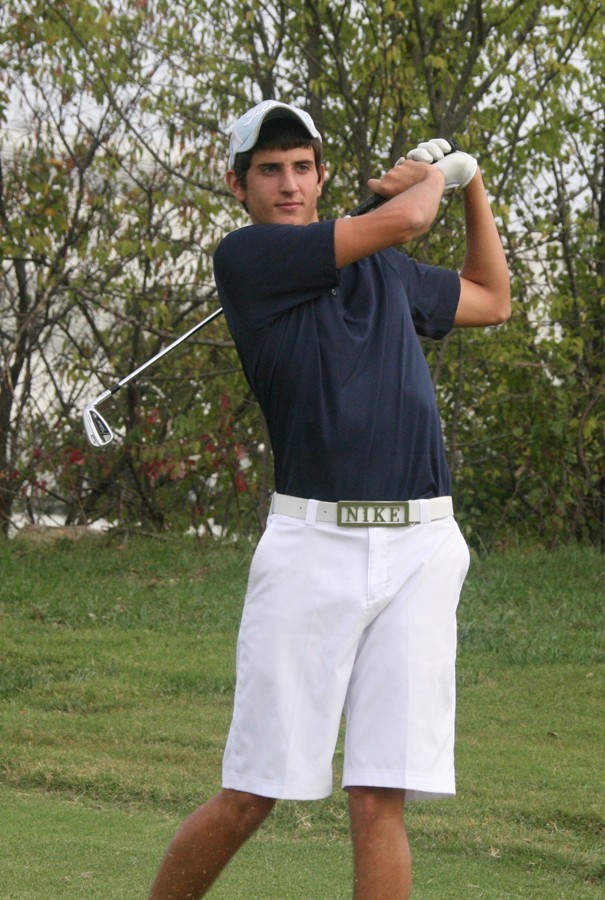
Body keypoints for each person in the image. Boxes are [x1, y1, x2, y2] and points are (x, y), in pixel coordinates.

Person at [149, 99, 510, 899]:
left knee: (380, 796)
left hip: (420, 548)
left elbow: (491, 298)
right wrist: (434, 177)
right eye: (268, 170)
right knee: (252, 792)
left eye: (301, 168)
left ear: (320, 177)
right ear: (238, 185)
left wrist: (471, 183)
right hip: (313, 546)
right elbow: (407, 219)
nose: (287, 184)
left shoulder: (382, 270)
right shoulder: (246, 258)